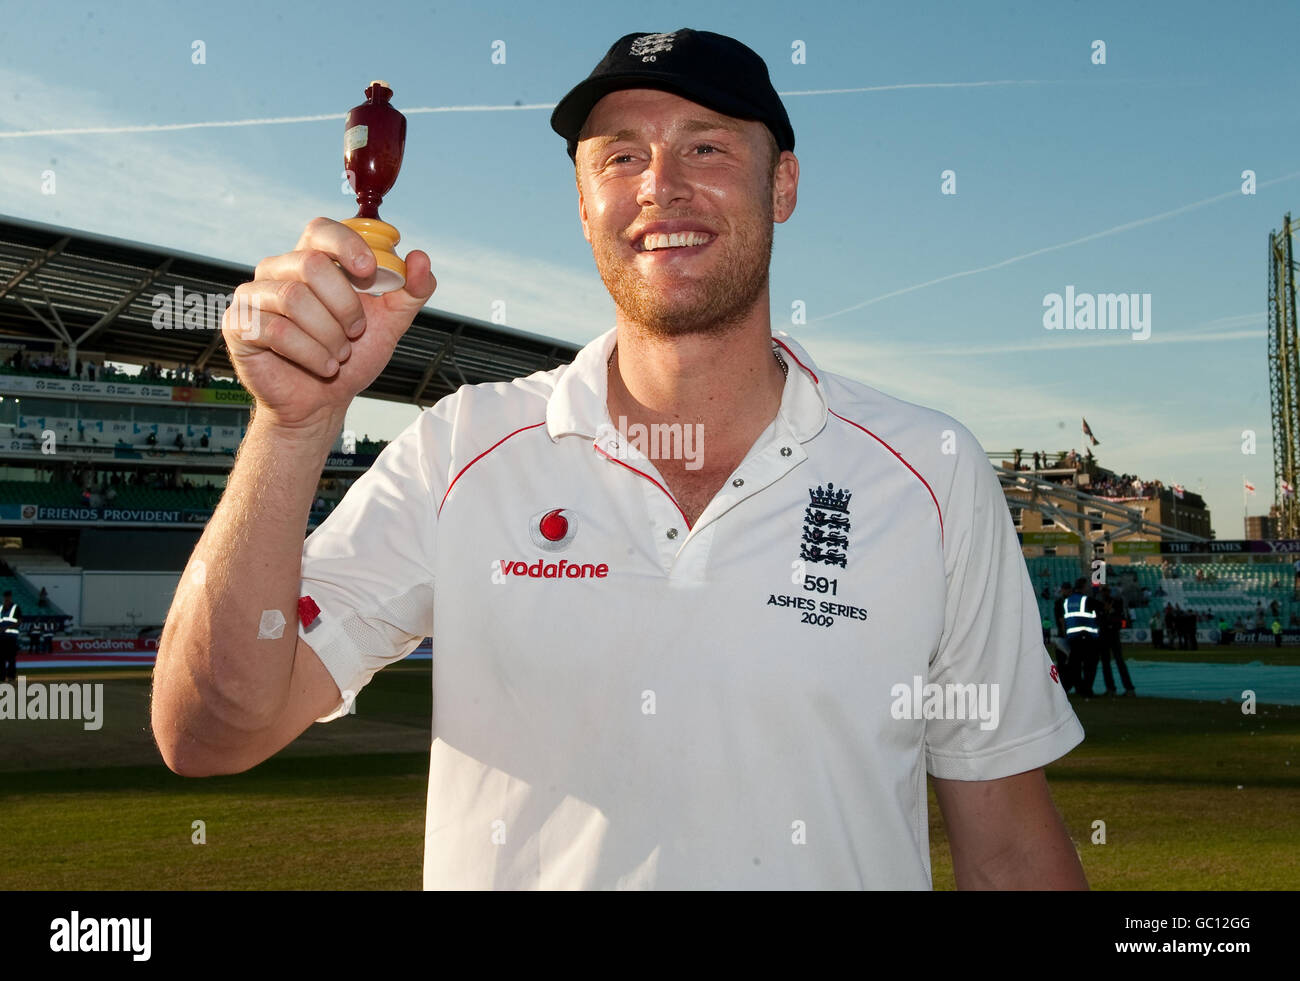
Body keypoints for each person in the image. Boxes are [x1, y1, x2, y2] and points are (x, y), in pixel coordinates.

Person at [153, 29, 1086, 890]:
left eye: (706, 147)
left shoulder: (930, 472)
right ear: (583, 198)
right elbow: (207, 731)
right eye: (622, 156)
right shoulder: (459, 449)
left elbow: (1006, 847)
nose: (660, 186)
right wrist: (293, 427)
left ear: (784, 184)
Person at [1063, 578, 1100, 697]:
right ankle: (1086, 690)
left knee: (1075, 664)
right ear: (1083, 587)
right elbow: (1101, 607)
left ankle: (1075, 688)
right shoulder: (1086, 600)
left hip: (1073, 637)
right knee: (1090, 665)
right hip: (1087, 636)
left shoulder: (1067, 601)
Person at [1096, 586, 1135, 695]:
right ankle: (1112, 688)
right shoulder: (1100, 604)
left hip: (1110, 634)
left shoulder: (1116, 603)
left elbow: (1118, 619)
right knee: (1108, 663)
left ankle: (1126, 688)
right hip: (1107, 634)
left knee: (1117, 662)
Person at [0, 590, 18, 681]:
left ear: (10, 597)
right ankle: (2, 676)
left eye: (8, 597)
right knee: (1, 658)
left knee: (11, 658)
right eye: (5, 597)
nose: (7, 599)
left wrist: (6, 628)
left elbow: (19, 622)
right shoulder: (0, 608)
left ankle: (11, 676)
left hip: (11, 637)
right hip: (2, 637)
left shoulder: (15, 608)